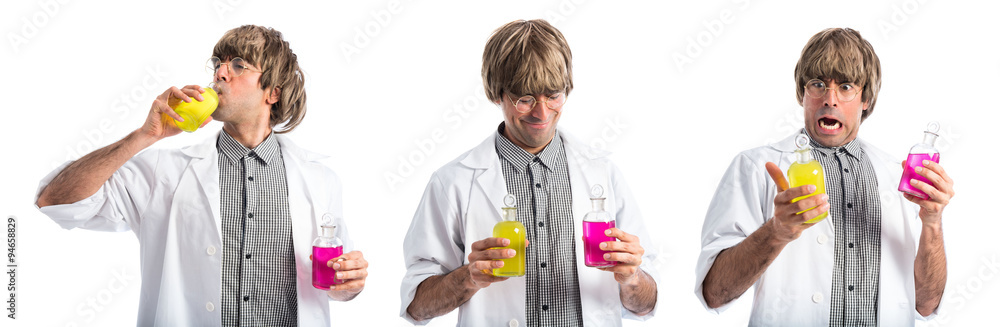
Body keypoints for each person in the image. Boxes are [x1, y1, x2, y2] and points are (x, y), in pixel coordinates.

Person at [34, 25, 368, 326]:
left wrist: (347, 287)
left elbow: (337, 284)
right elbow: (55, 201)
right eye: (218, 64)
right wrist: (143, 137)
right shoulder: (163, 172)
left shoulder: (321, 180)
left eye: (238, 65)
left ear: (273, 93)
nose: (220, 73)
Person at [399, 19, 659, 326]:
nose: (542, 112)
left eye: (553, 95)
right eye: (524, 99)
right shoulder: (453, 182)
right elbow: (416, 306)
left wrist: (631, 278)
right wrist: (468, 278)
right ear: (496, 94)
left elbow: (646, 304)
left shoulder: (603, 173)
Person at [696, 28, 952, 326]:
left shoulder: (898, 176)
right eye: (818, 84)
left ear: (866, 98)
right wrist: (776, 232)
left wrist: (932, 223)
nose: (830, 99)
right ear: (802, 93)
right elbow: (714, 293)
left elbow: (925, 303)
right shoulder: (756, 167)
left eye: (845, 87)